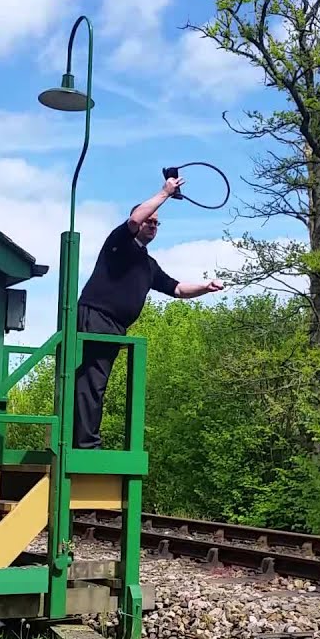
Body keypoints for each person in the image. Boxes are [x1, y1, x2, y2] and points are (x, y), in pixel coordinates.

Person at [73, 176, 225, 449]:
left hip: (115, 326)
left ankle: (84, 441)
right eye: (149, 221)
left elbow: (177, 289)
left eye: (156, 223)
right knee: (90, 381)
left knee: (96, 383)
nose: (152, 225)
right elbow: (134, 219)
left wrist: (205, 287)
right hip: (95, 317)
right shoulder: (119, 243)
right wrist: (165, 193)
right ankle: (85, 445)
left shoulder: (148, 265)